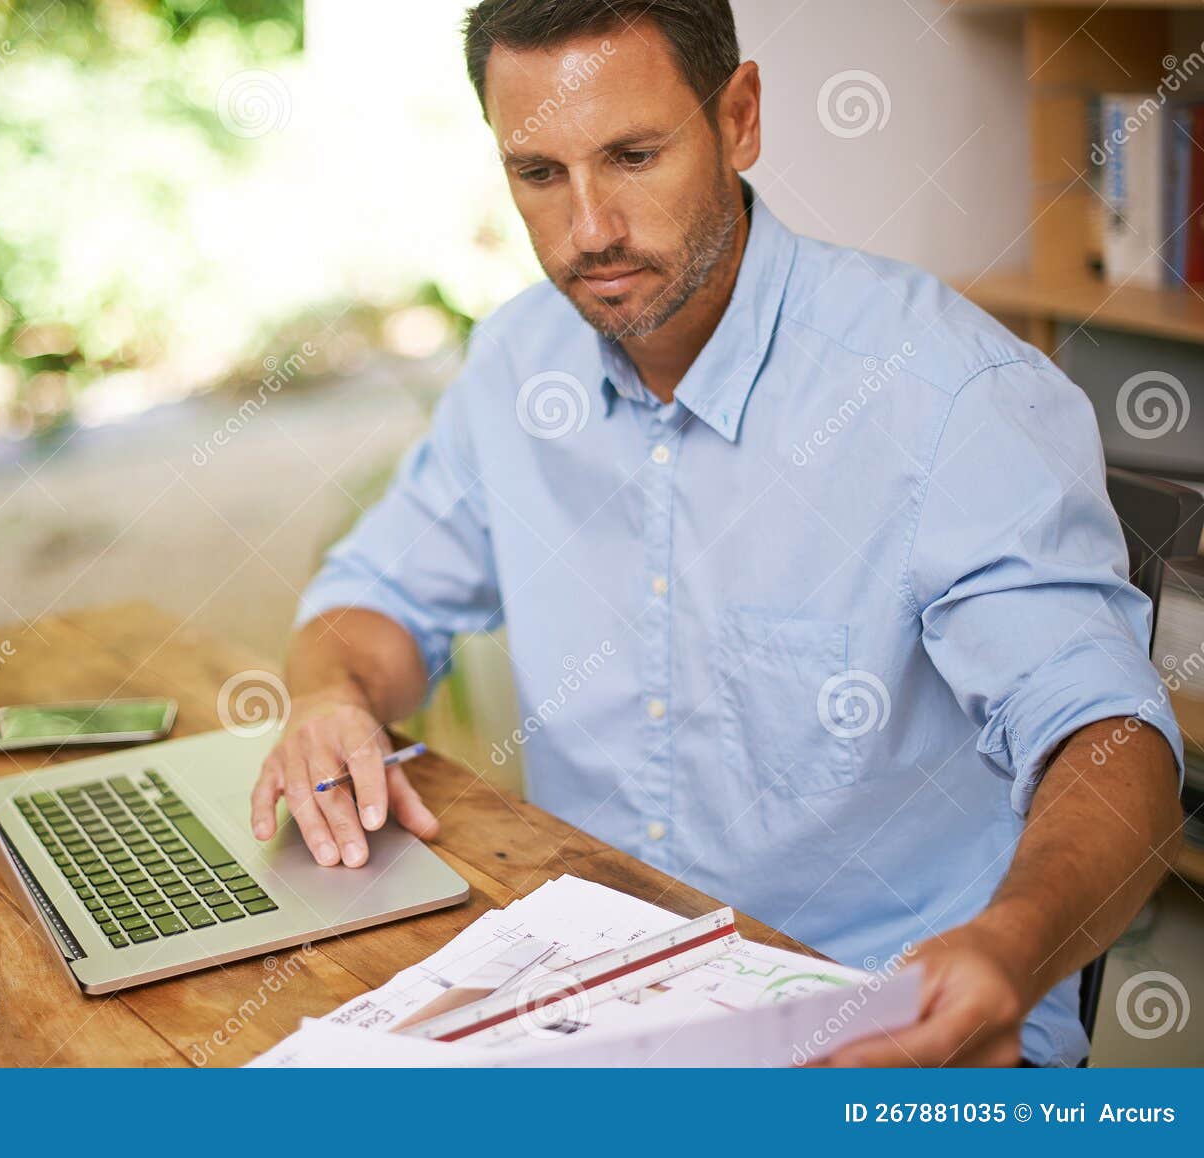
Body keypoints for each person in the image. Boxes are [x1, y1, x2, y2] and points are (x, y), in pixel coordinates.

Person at [248, 0, 1184, 1066]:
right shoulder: (515, 366)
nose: (589, 229)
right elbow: (379, 598)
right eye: (538, 174)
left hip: (885, 1030)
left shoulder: (946, 392)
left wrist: (1007, 952)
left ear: (738, 118)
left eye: (633, 155)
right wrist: (331, 696)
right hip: (589, 1012)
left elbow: (1112, 741)